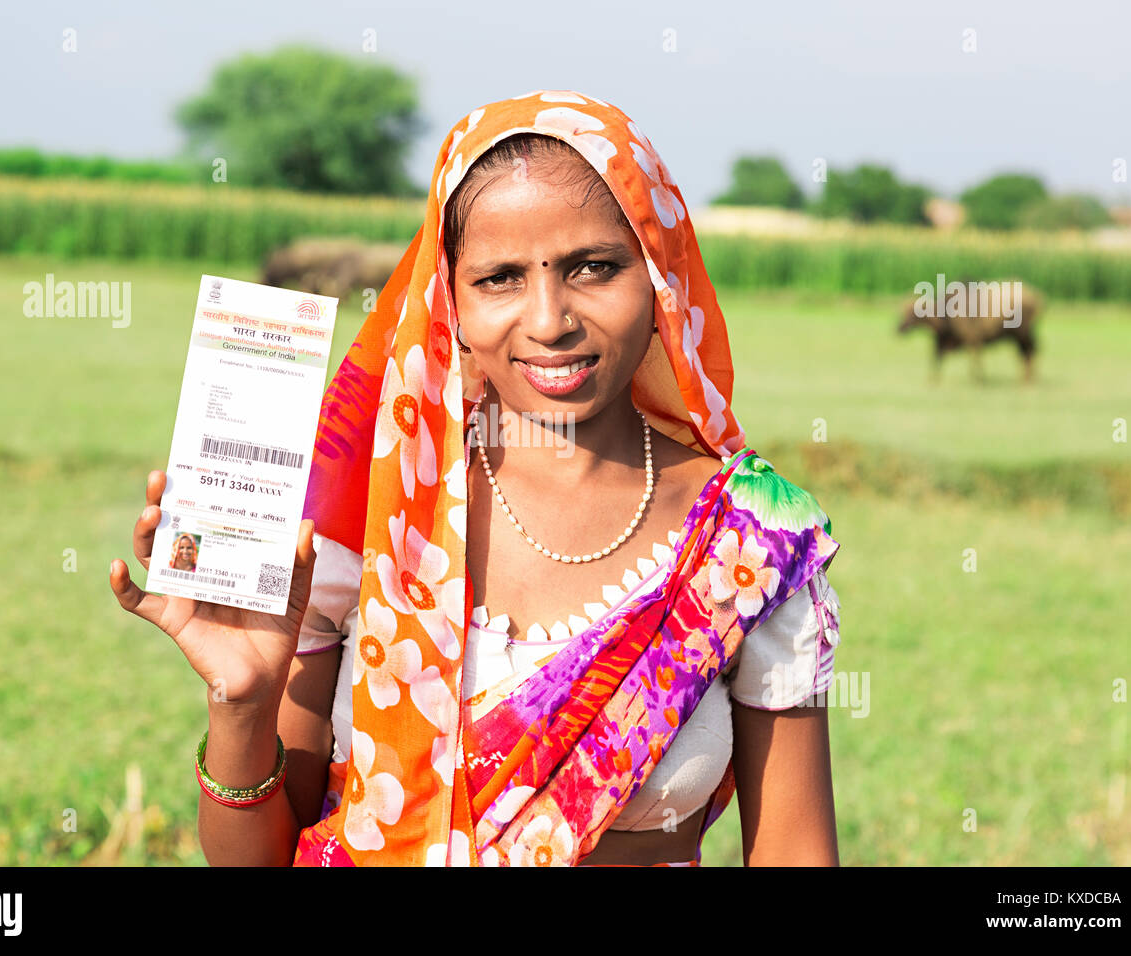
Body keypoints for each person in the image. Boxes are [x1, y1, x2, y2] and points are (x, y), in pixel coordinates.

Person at [110, 89, 843, 867]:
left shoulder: (749, 541)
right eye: (499, 278)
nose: (550, 319)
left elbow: (794, 850)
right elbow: (255, 861)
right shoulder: (368, 518)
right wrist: (243, 703)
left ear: (659, 277)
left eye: (595, 268)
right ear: (447, 300)